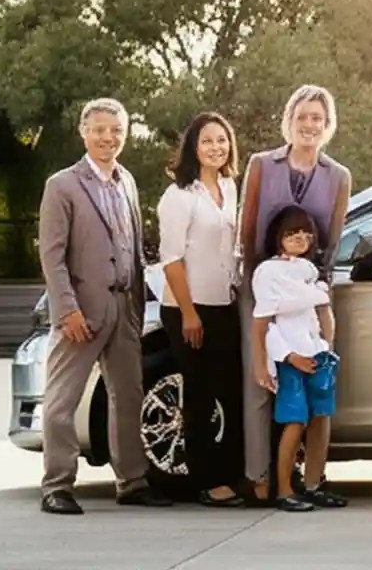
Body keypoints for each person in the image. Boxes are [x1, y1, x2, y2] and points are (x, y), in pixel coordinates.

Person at [37, 98, 172, 515]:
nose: (108, 138)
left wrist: (138, 304)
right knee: (62, 401)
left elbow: (132, 250)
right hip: (82, 311)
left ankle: (131, 481)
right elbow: (52, 256)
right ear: (84, 132)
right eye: (99, 129)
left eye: (116, 130)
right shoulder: (62, 185)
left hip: (124, 309)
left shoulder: (127, 181)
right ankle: (56, 486)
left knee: (128, 396)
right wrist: (67, 309)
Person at [239, 85, 352, 505]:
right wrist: (252, 286)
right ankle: (261, 478)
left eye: (317, 119)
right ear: (289, 120)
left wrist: (319, 298)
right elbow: (247, 229)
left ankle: (314, 481)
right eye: (302, 117)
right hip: (263, 290)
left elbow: (333, 240)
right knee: (261, 385)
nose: (309, 125)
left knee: (316, 386)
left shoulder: (337, 176)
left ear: (327, 126)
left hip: (310, 294)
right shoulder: (261, 165)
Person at [155, 111, 245, 507]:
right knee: (200, 395)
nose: (215, 147)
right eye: (206, 141)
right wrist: (189, 313)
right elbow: (171, 259)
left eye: (221, 140)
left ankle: (232, 473)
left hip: (224, 303)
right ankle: (205, 481)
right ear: (194, 147)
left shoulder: (229, 186)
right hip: (188, 309)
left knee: (229, 392)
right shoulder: (179, 195)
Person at [252, 206, 345, 512]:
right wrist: (287, 358)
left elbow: (321, 313)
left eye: (306, 233)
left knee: (321, 417)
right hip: (291, 360)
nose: (300, 238)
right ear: (279, 236)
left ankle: (314, 483)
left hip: (317, 354)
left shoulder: (309, 272)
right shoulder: (268, 272)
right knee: (295, 421)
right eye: (292, 233)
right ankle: (285, 489)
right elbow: (263, 325)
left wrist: (326, 347)